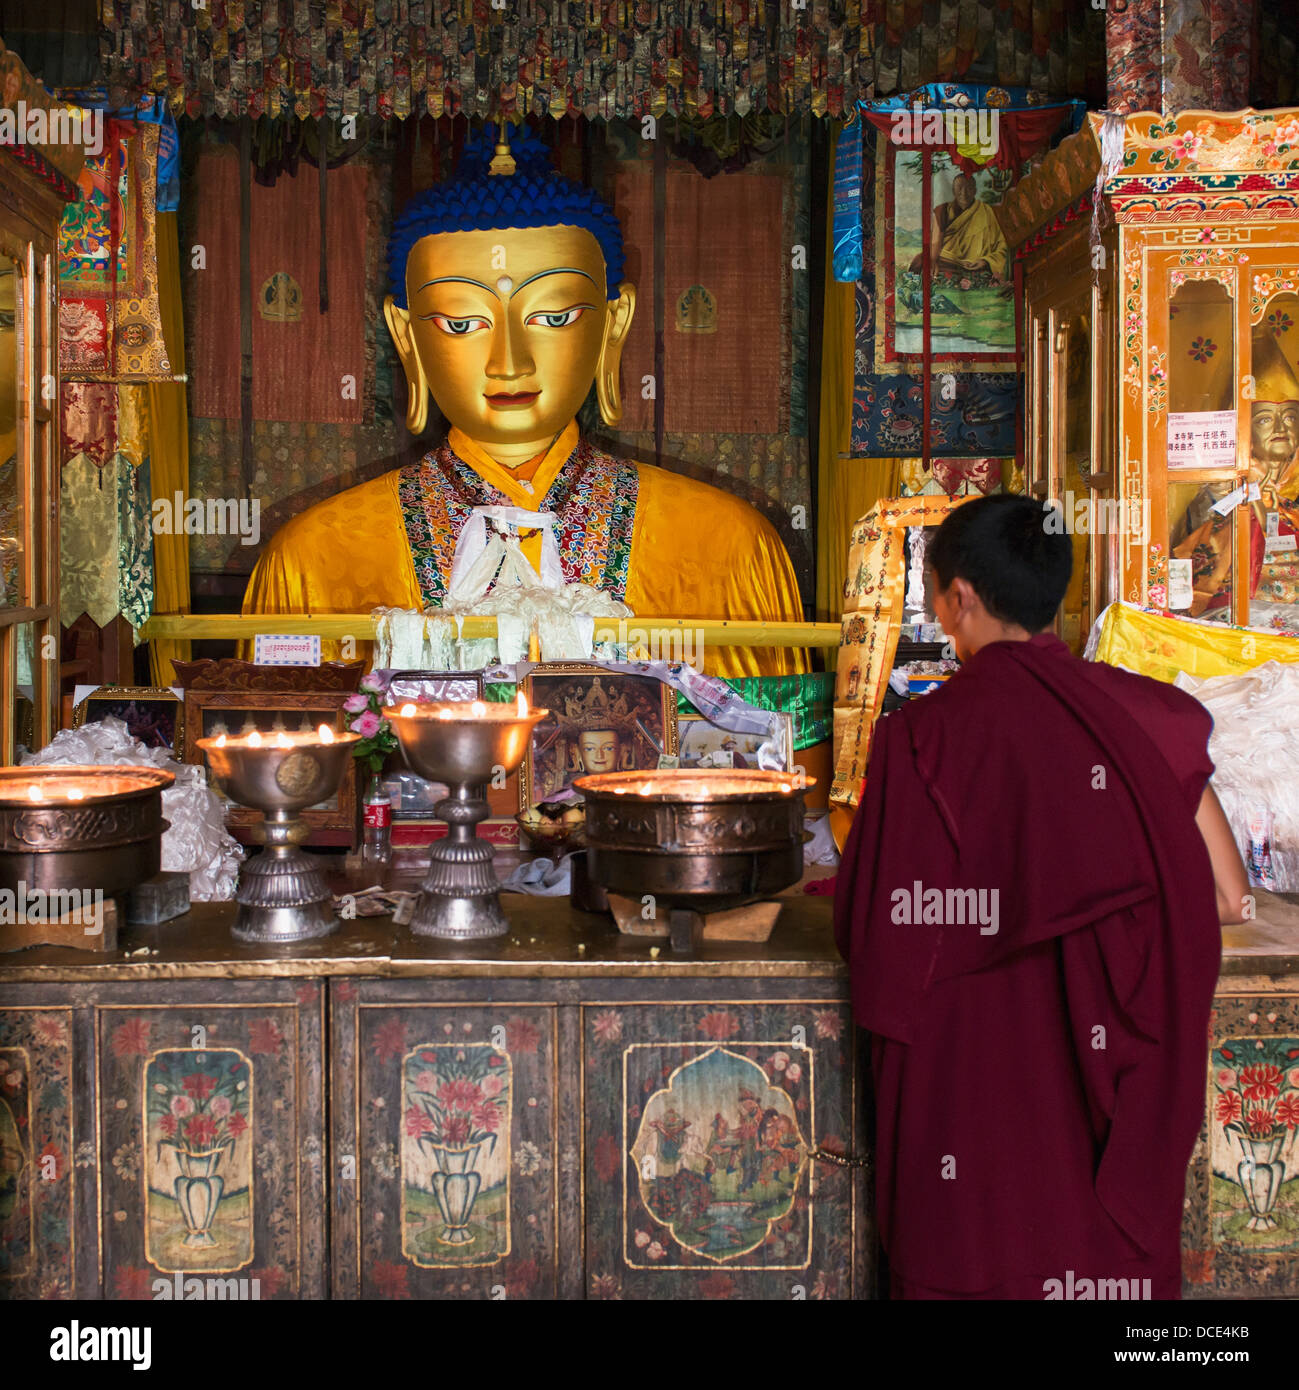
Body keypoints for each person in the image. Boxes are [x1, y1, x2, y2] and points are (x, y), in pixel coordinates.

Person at [834, 493, 1248, 1300]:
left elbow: (880, 948)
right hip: (1110, 1098)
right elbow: (1230, 896)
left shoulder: (924, 736)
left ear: (957, 598)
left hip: (978, 1107)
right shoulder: (1152, 716)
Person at [243, 123, 806, 678]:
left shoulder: (724, 548)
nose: (508, 361)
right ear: (406, 335)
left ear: (614, 324)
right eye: (462, 322)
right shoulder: (316, 560)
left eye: (554, 317)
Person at [908, 172, 1009, 283]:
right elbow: (935, 241)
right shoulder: (943, 210)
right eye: (959, 188)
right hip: (950, 260)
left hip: (976, 265)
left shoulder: (986, 211)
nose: (963, 193)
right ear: (953, 191)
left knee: (981, 273)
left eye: (969, 188)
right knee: (920, 260)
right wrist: (933, 261)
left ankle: (967, 279)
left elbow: (1001, 246)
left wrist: (985, 261)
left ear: (975, 191)